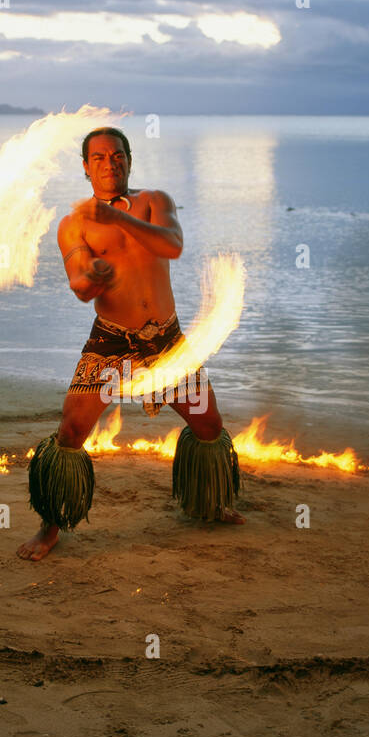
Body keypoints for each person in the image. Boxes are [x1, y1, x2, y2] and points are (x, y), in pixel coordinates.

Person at [17, 127, 244, 561]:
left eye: (117, 155)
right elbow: (79, 285)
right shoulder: (72, 225)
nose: (110, 163)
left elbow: (173, 245)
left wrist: (119, 218)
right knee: (70, 432)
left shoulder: (156, 201)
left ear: (129, 159)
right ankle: (50, 525)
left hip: (166, 341)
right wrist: (93, 279)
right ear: (85, 167)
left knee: (210, 427)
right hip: (111, 343)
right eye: (99, 157)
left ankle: (211, 501)